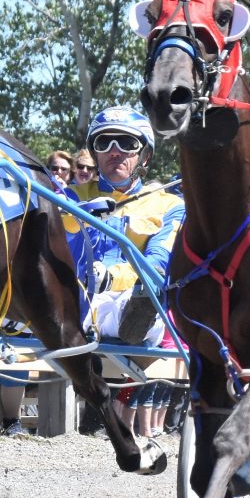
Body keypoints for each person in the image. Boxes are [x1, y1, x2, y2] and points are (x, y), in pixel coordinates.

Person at [71, 106, 185, 439]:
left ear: (145, 155)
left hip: (131, 301)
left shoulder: (168, 205)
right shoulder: (67, 198)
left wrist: (110, 276)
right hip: (77, 301)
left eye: (126, 143)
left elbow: (159, 263)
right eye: (104, 143)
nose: (114, 151)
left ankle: (133, 318)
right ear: (94, 152)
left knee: (136, 300)